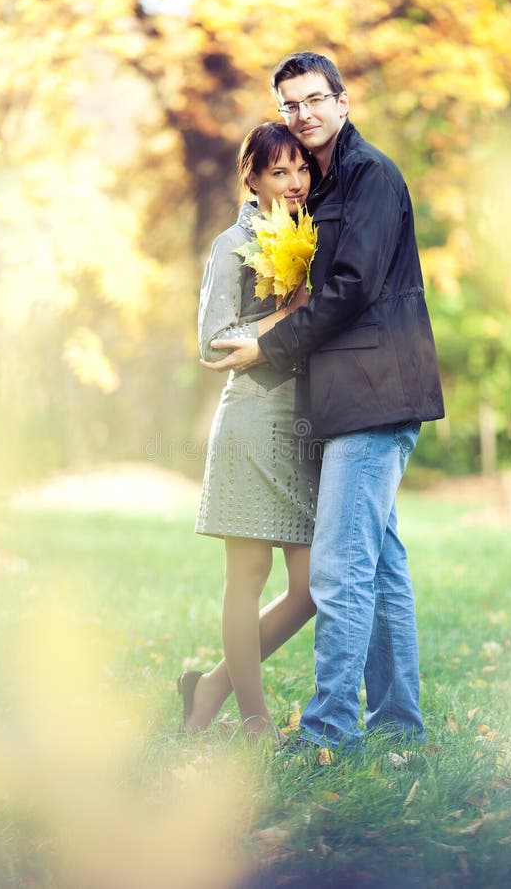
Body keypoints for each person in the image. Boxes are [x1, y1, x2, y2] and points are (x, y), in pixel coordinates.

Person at [202, 52, 445, 752]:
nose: (302, 114)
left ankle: (329, 731)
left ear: (342, 101)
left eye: (313, 100)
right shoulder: (323, 183)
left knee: (338, 568)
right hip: (351, 398)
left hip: (374, 394)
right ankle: (398, 725)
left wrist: (267, 346)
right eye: (290, 105)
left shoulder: (369, 177)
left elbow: (350, 292)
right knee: (381, 568)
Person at [178, 122, 321, 742]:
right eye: (279, 172)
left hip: (310, 422)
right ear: (253, 177)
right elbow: (213, 339)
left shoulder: (315, 236)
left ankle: (209, 686)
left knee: (312, 586)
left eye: (301, 170)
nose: (294, 183)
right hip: (251, 418)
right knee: (248, 575)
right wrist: (285, 317)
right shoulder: (229, 245)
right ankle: (256, 722)